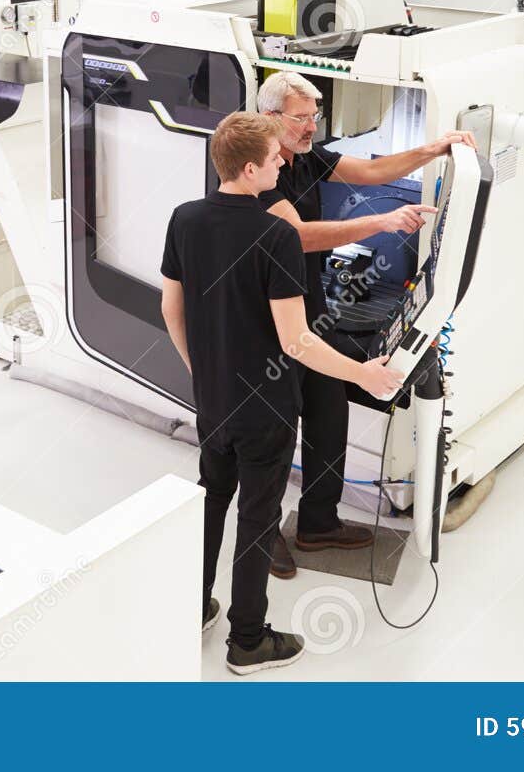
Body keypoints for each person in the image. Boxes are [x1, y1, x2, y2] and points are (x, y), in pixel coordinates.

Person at [160, 112, 401, 676]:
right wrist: (361, 373)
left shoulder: (185, 219)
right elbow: (296, 342)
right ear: (250, 168)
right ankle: (247, 641)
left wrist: (204, 370)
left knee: (213, 497)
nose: (282, 164)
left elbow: (171, 308)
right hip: (265, 407)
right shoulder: (277, 235)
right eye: (274, 158)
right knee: (258, 517)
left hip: (213, 399)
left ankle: (194, 607)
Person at [255, 71, 476, 578]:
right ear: (271, 118)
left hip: (310, 309)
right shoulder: (259, 171)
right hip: (273, 320)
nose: (312, 126)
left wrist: (436, 149)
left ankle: (317, 523)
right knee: (277, 432)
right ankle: (261, 535)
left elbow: (373, 173)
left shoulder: (306, 157)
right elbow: (300, 238)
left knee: (329, 413)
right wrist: (381, 223)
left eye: (315, 116)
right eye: (301, 117)